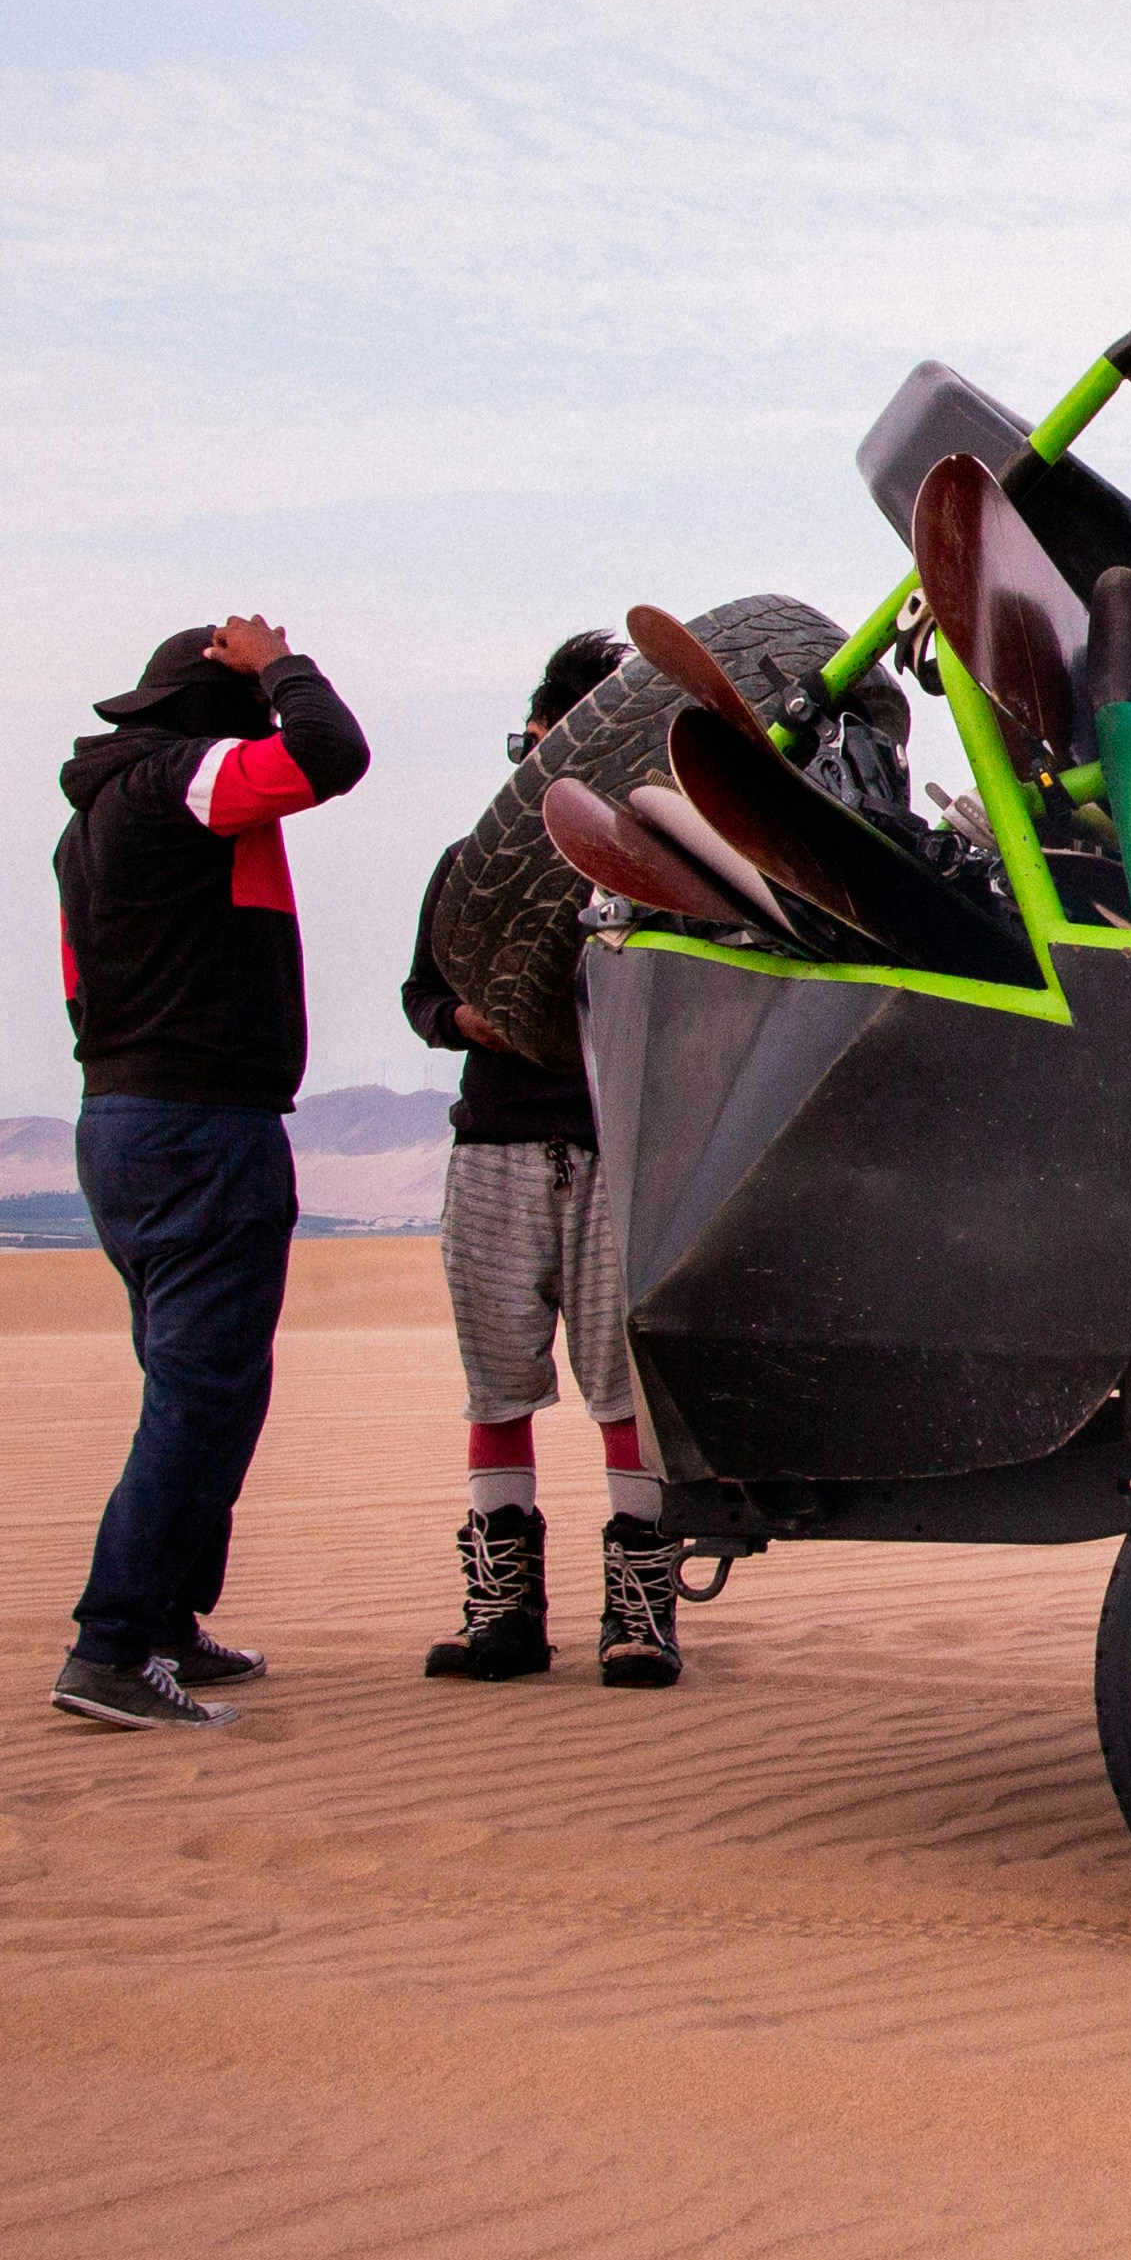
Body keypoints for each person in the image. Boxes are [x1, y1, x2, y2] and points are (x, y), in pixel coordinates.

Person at [48, 612, 371, 1726]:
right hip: (198, 1129)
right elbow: (329, 754)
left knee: (206, 1389)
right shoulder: (178, 780)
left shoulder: (90, 824)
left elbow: (79, 988)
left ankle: (167, 1622)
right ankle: (111, 1645)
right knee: (201, 1395)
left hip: (127, 1123)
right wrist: (280, 666)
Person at [403, 632, 690, 1691]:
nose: (531, 765)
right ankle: (502, 1616)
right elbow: (423, 993)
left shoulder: (648, 864)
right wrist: (464, 1020)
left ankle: (639, 1618)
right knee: (498, 1388)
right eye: (527, 746)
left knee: (622, 1394)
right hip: (496, 1144)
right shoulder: (470, 866)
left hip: (613, 1148)